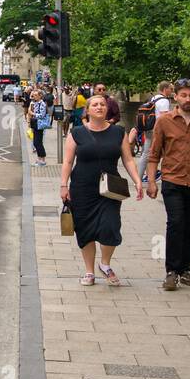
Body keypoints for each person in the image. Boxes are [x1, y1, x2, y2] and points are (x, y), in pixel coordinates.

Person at [60, 94, 142, 286]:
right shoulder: (77, 133)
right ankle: (89, 272)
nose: (99, 107)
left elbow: (128, 159)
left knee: (110, 226)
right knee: (85, 229)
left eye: (102, 104)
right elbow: (68, 161)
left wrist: (138, 180)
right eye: (95, 105)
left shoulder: (118, 132)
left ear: (107, 109)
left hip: (110, 188)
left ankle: (105, 264)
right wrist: (64, 185)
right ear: (87, 110)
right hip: (82, 187)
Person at [146, 78, 190, 291]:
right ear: (176, 97)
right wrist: (152, 182)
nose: (188, 99)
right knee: (176, 223)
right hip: (172, 180)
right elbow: (153, 154)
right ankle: (172, 271)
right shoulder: (164, 121)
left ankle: (186, 269)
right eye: (183, 95)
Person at [129, 81, 173, 184]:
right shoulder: (164, 101)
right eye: (170, 89)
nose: (171, 91)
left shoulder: (154, 98)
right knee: (148, 154)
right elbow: (164, 117)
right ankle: (139, 178)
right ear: (165, 88)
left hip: (149, 128)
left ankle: (145, 176)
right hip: (157, 130)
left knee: (147, 153)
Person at [28, 89, 49, 167]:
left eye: (36, 95)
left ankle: (42, 160)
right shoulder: (35, 103)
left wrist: (32, 113)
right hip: (35, 123)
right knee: (35, 142)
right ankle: (39, 158)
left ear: (40, 96)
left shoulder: (42, 104)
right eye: (34, 95)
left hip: (40, 124)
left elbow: (42, 115)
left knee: (38, 142)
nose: (34, 97)